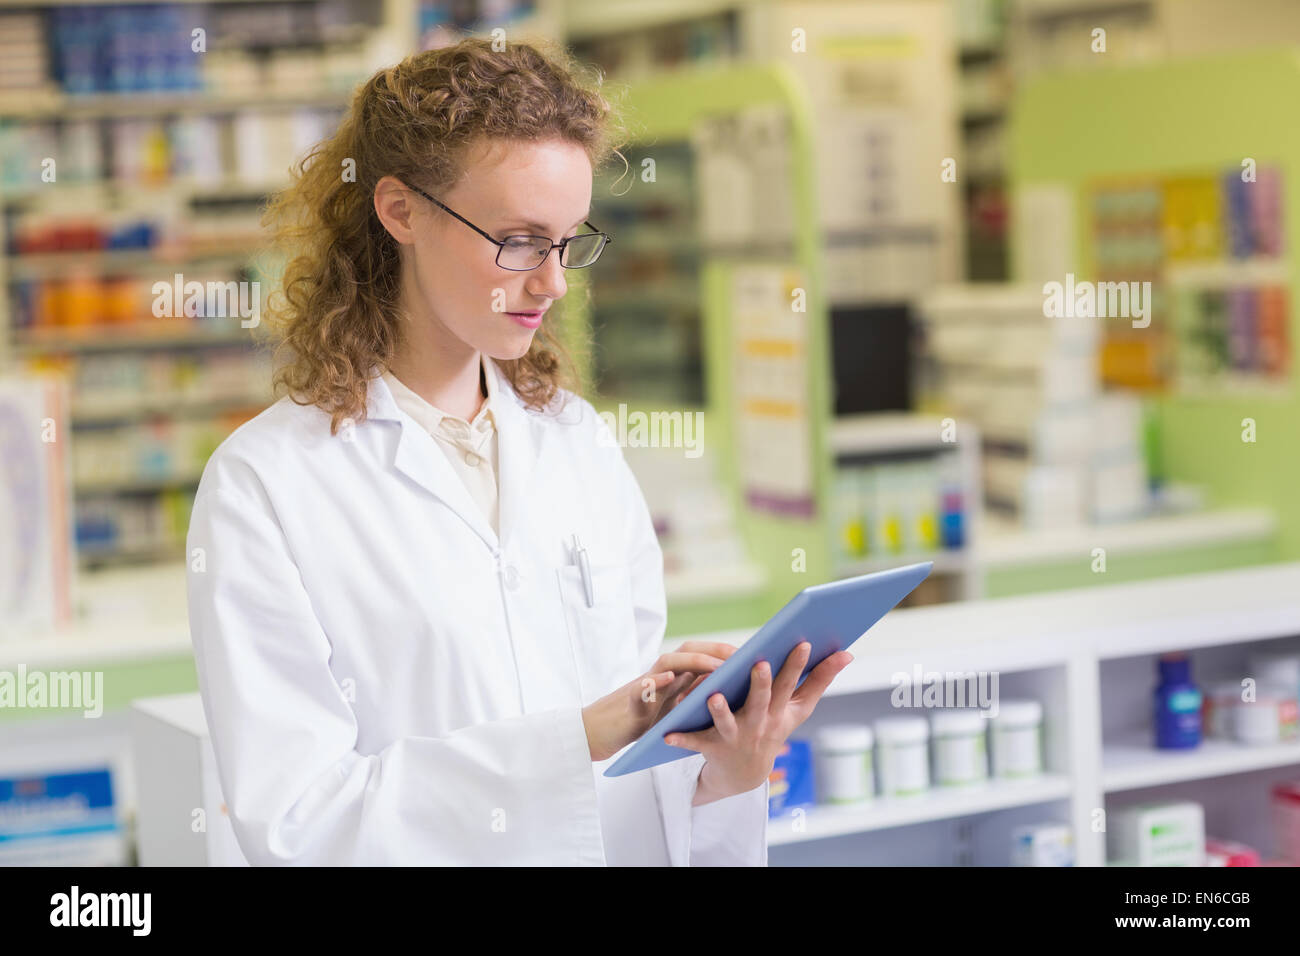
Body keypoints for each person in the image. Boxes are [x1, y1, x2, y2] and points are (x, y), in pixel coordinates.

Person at [185, 37, 851, 866]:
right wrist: (580, 736)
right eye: (521, 240)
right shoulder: (267, 484)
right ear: (400, 211)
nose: (554, 283)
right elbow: (300, 823)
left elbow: (636, 786)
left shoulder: (575, 440)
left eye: (569, 240)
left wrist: (729, 768)